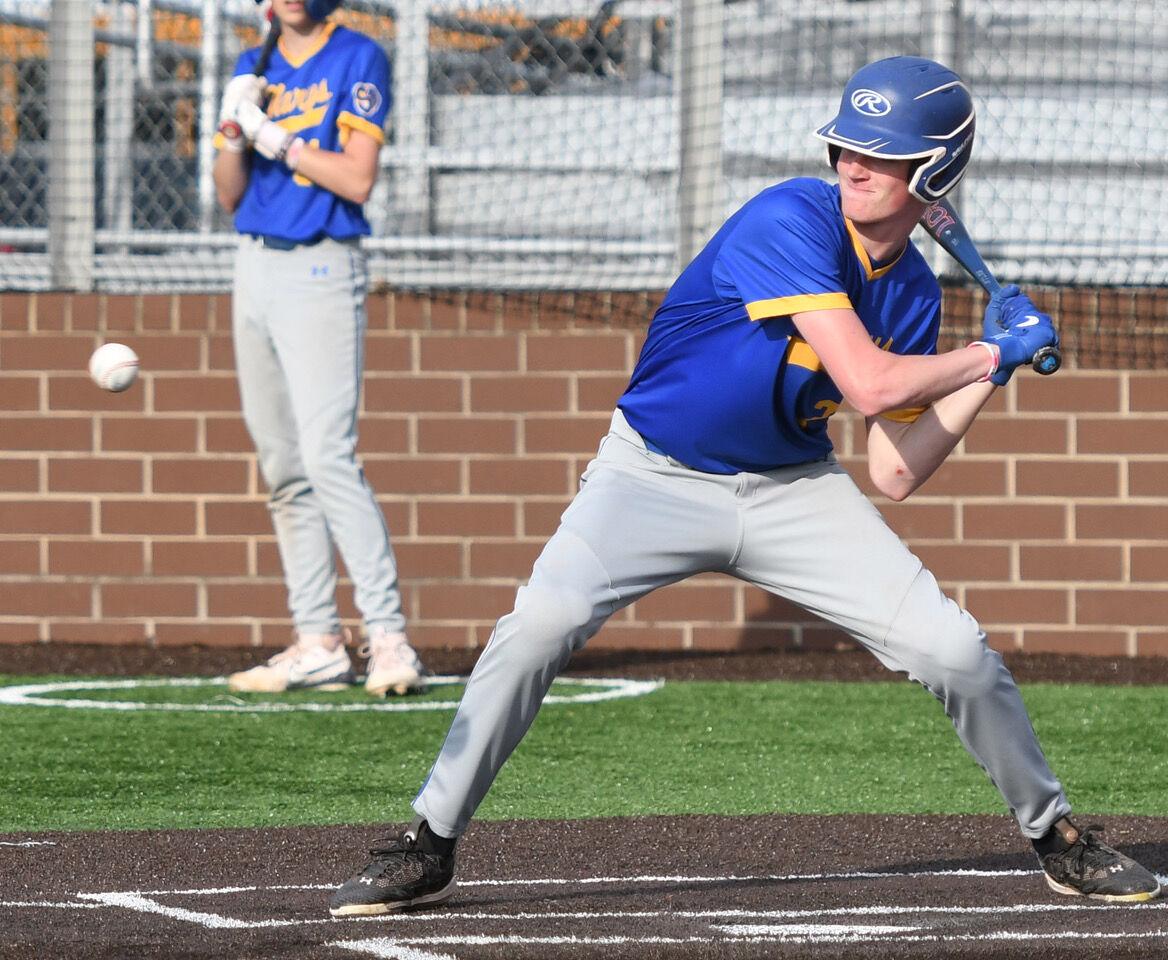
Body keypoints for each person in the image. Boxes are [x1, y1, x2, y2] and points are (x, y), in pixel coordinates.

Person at [328, 56, 1161, 912]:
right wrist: (992, 351)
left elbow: (895, 469)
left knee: (953, 651)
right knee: (539, 625)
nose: (852, 165)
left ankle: (1055, 835)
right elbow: (872, 385)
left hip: (792, 490)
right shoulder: (788, 216)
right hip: (649, 473)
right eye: (846, 146)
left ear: (936, 170)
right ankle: (428, 840)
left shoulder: (910, 287)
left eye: (880, 154)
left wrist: (991, 377)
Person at [211, 0, 426, 697]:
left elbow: (358, 178)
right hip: (255, 266)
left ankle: (388, 638)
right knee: (283, 463)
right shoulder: (255, 62)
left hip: (322, 263)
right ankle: (318, 640)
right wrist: (234, 130)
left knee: (329, 453)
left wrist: (277, 137)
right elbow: (226, 194)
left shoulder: (356, 54)